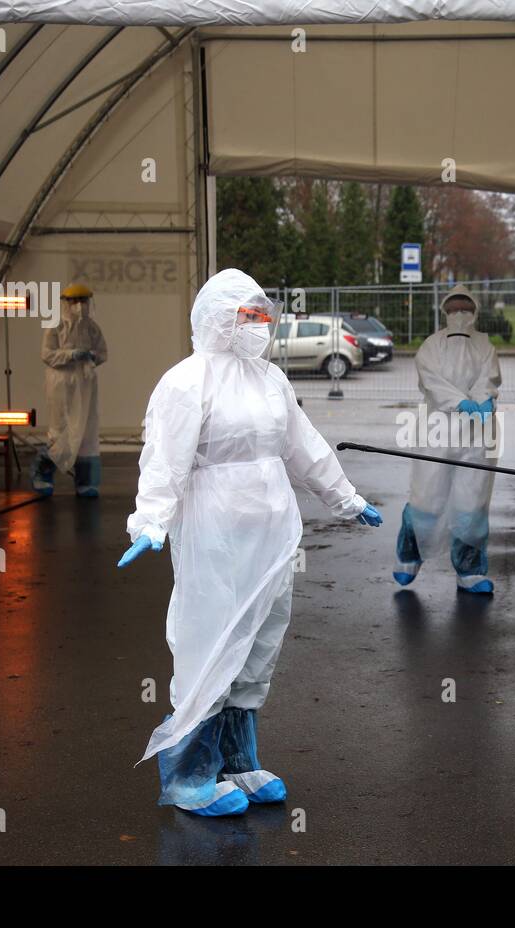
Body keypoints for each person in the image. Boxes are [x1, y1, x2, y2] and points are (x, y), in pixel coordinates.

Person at [117, 269, 383, 817]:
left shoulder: (270, 380)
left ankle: (239, 762)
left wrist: (346, 499)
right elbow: (164, 461)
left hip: (272, 532)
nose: (258, 326)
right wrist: (149, 521)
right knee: (211, 643)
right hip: (214, 530)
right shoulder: (186, 382)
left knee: (258, 644)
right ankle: (191, 775)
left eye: (263, 316)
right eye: (247, 316)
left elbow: (302, 447)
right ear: (217, 319)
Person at [394, 284, 502, 593]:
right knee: (427, 495)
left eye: (464, 309)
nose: (459, 315)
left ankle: (470, 572)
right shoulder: (431, 345)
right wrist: (462, 402)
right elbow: (431, 381)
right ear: (444, 312)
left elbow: (489, 378)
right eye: (453, 309)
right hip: (437, 430)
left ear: (474, 312)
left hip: (478, 435)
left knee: (473, 501)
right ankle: (408, 558)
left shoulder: (485, 345)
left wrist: (482, 400)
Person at [33, 283, 108, 497]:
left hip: (85, 386)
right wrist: (71, 354)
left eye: (83, 300)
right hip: (61, 385)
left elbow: (103, 352)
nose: (79, 306)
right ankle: (42, 473)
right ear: (65, 302)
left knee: (86, 431)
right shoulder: (55, 326)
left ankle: (86, 482)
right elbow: (47, 355)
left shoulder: (92, 327)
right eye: (75, 301)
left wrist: (91, 356)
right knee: (61, 429)